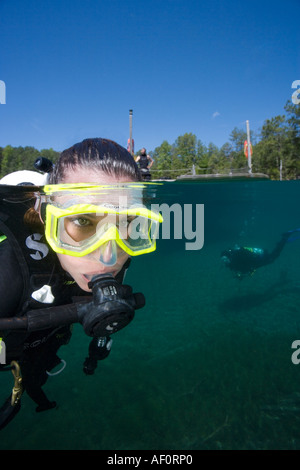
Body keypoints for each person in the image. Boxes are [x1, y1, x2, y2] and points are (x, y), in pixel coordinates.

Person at [0, 138, 162, 429]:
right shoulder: (7, 268)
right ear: (44, 215)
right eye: (84, 222)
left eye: (128, 223)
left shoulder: (119, 256)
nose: (109, 255)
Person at [221, 229, 300, 279]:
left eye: (225, 259)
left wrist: (250, 269)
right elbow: (243, 268)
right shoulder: (233, 261)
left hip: (260, 258)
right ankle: (283, 241)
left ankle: (284, 238)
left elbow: (249, 261)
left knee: (274, 256)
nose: (224, 262)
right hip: (258, 260)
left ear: (229, 256)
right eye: (223, 260)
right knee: (274, 256)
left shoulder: (238, 256)